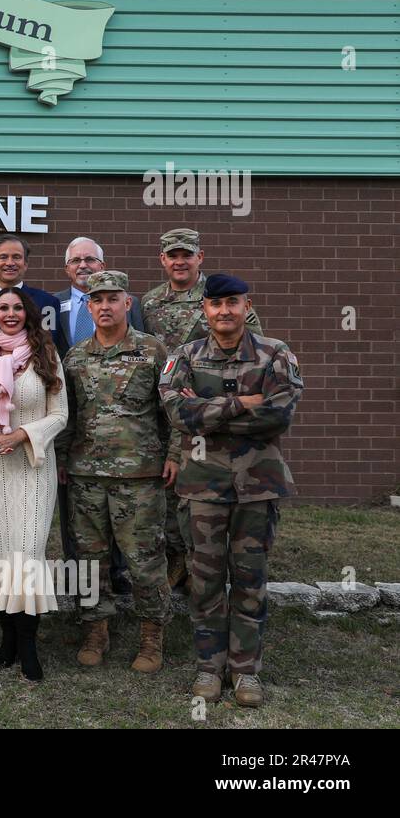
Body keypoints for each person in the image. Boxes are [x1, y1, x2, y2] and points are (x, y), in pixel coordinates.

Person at [160, 274, 302, 709]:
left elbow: (279, 414)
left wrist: (208, 410)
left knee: (249, 580)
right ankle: (209, 667)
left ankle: (244, 672)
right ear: (205, 308)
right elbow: (177, 413)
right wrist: (244, 402)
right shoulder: (184, 355)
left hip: (257, 488)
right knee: (204, 581)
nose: (225, 311)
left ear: (246, 305)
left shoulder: (274, 353)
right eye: (216, 303)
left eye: (233, 303)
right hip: (202, 488)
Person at [55, 271, 175, 674]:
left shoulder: (153, 351)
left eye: (113, 298)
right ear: (88, 307)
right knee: (88, 559)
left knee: (144, 560)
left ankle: (151, 634)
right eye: (97, 299)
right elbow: (67, 417)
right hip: (85, 477)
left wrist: (174, 454)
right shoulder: (75, 357)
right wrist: (59, 459)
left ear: (128, 303)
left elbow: (173, 411)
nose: (104, 306)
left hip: (139, 478)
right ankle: (95, 629)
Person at [142, 228, 264, 591]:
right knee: (167, 489)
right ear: (163, 259)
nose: (180, 261)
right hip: (165, 410)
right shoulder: (149, 303)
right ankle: (178, 560)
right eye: (172, 255)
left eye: (187, 254)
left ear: (200, 257)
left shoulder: (221, 297)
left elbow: (251, 352)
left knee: (202, 494)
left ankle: (209, 568)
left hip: (209, 414)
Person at [0, 287, 67, 682]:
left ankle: (28, 645)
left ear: (28, 313)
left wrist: (19, 434)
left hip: (31, 467)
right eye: (3, 308)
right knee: (2, 554)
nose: (10, 314)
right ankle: (6, 639)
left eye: (17, 308)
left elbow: (60, 415)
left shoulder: (47, 356)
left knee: (27, 552)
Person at [53, 238, 136, 593]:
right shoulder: (50, 306)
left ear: (103, 266)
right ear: (67, 268)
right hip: (70, 423)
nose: (83, 265)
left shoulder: (131, 307)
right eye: (76, 260)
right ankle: (80, 578)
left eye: (91, 259)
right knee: (77, 511)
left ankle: (117, 573)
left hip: (124, 435)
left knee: (120, 508)